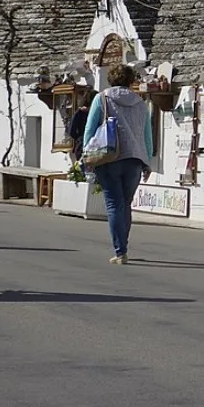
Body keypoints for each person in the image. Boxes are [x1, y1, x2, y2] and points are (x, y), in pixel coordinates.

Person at [83, 65, 155, 264]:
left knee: (114, 204)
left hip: (109, 157)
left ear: (111, 79)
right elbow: (147, 135)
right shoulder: (141, 103)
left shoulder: (102, 98)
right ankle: (123, 245)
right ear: (131, 80)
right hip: (135, 159)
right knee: (125, 204)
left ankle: (120, 250)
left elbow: (90, 130)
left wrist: (87, 157)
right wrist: (147, 161)